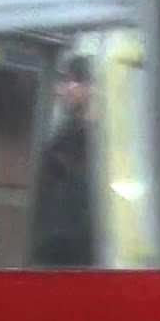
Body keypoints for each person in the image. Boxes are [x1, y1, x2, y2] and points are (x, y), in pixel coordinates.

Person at [29, 55, 97, 267]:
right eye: (61, 82)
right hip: (53, 252)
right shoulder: (60, 139)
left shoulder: (105, 142)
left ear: (91, 87)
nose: (61, 90)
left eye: (70, 81)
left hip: (85, 255)